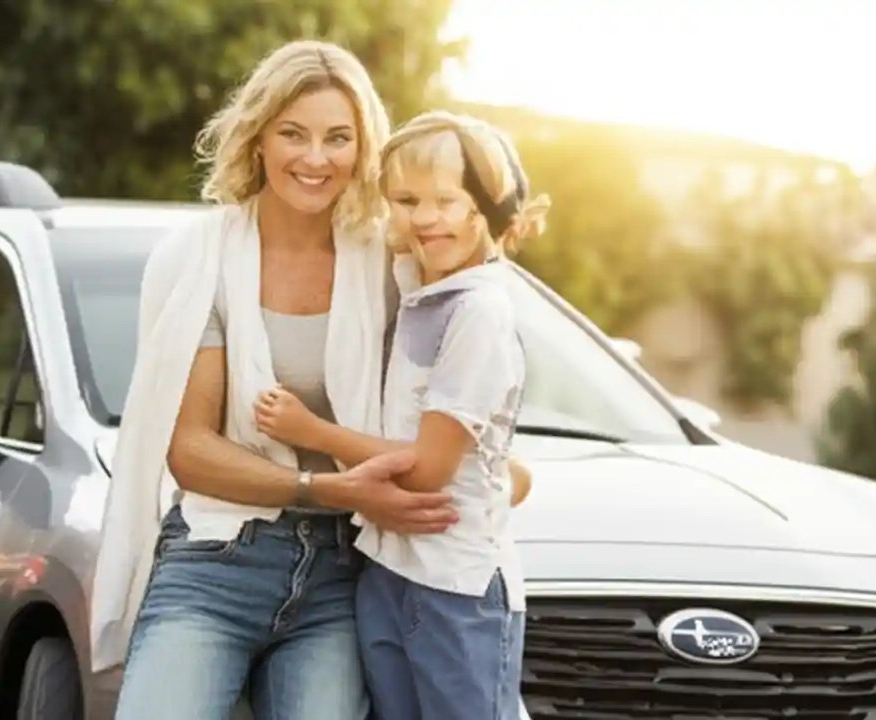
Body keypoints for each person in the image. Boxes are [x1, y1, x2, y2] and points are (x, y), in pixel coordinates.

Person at [91, 40, 459, 720]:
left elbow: (465, 353)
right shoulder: (200, 259)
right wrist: (327, 488)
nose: (316, 158)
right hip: (218, 562)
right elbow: (190, 450)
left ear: (363, 148)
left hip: (343, 577)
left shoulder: (390, 262)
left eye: (338, 138)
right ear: (258, 137)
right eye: (294, 133)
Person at [254, 110, 549, 719]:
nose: (425, 218)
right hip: (389, 571)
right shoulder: (418, 285)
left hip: (457, 586)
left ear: (484, 206)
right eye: (407, 200)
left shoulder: (480, 312)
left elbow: (426, 473)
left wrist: (312, 431)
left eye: (447, 200)